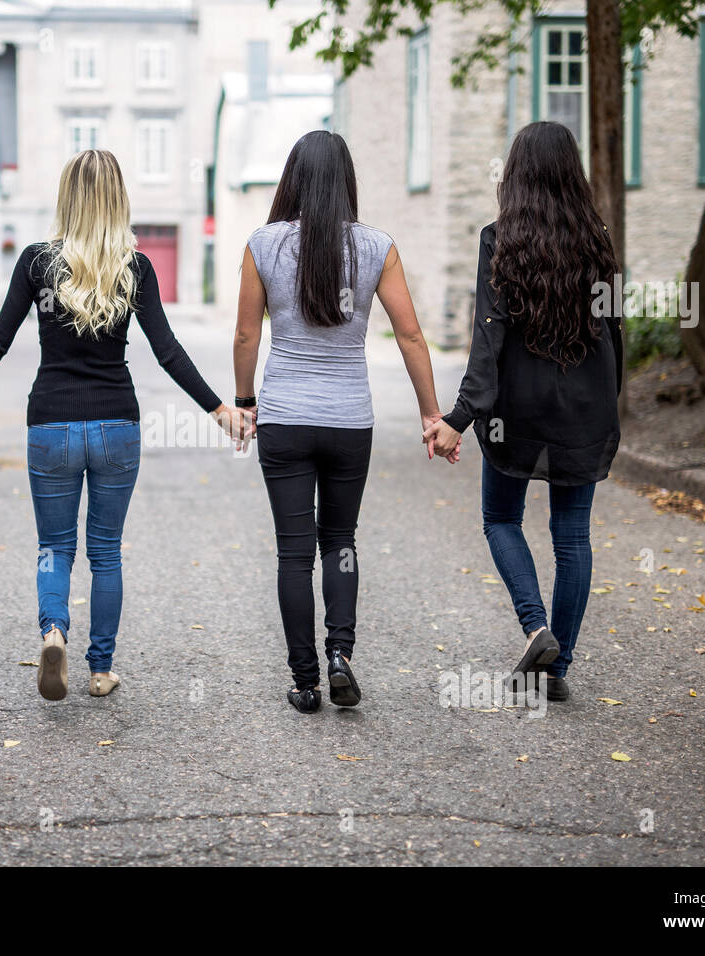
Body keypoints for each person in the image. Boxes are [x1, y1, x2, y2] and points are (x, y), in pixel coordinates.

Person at [0, 149, 248, 701]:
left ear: (66, 198)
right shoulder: (135, 268)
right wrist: (218, 409)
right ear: (118, 200)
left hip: (50, 423)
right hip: (115, 425)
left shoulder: (36, 262)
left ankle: (54, 631)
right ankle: (100, 670)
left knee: (54, 547)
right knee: (106, 552)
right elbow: (168, 351)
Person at [233, 130, 445, 713]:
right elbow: (410, 334)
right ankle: (340, 655)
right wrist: (432, 414)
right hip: (350, 420)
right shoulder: (378, 246)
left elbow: (248, 332)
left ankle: (305, 681)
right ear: (346, 179)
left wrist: (246, 401)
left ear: (292, 178)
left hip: (286, 419)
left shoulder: (263, 243)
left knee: (294, 553)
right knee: (341, 542)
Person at [424, 121, 622, 703]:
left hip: (518, 410)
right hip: (585, 405)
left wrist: (457, 419)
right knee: (573, 536)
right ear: (572, 172)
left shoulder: (499, 239)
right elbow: (615, 329)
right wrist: (610, 401)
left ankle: (537, 629)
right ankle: (557, 666)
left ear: (514, 175)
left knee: (500, 519)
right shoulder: (598, 238)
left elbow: (489, 341)